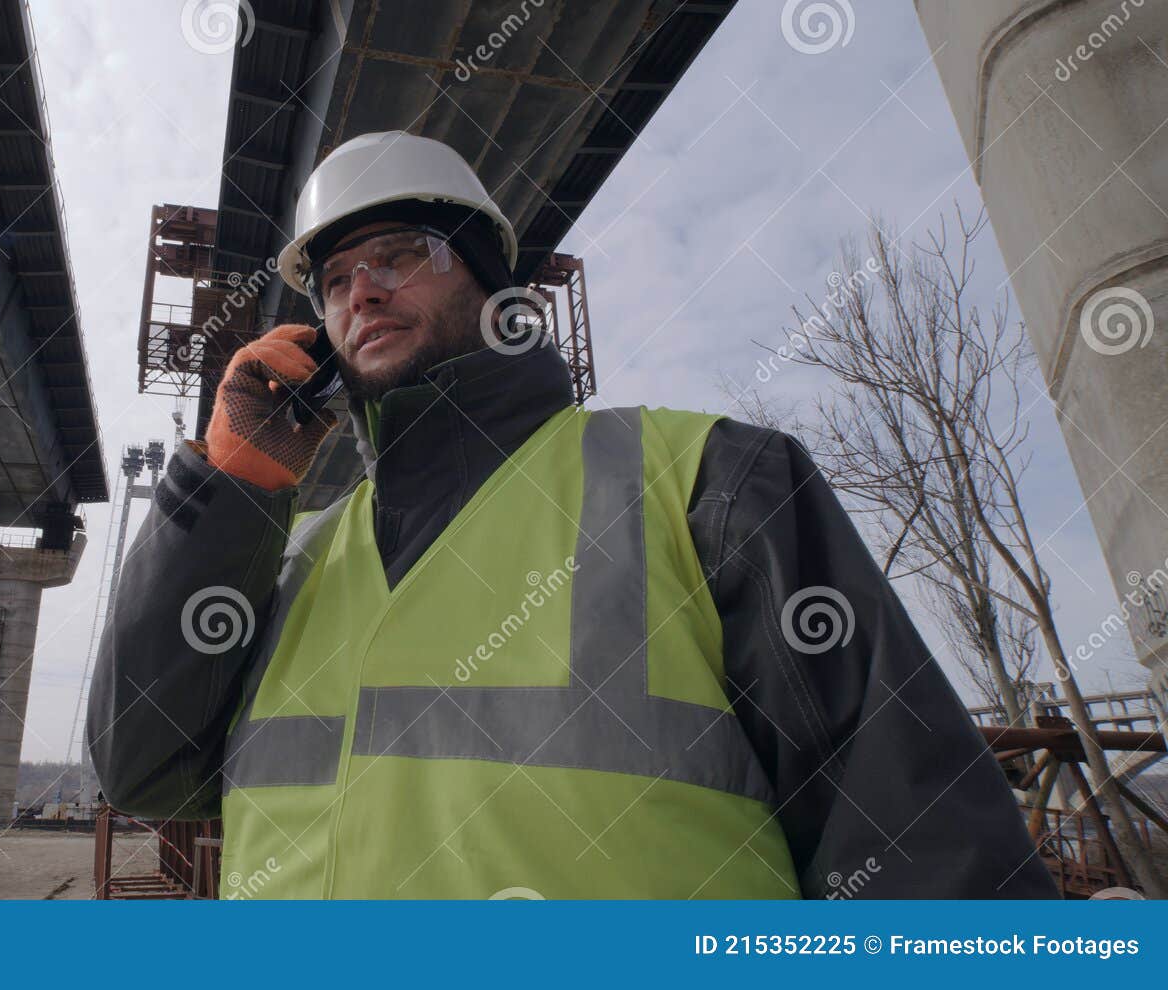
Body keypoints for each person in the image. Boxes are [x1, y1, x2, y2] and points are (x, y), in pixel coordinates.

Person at [87, 130, 1057, 899]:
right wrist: (228, 490)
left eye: (400, 254)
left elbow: (916, 847)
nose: (362, 290)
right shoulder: (292, 556)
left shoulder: (709, 480)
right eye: (334, 280)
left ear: (489, 284)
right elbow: (144, 769)